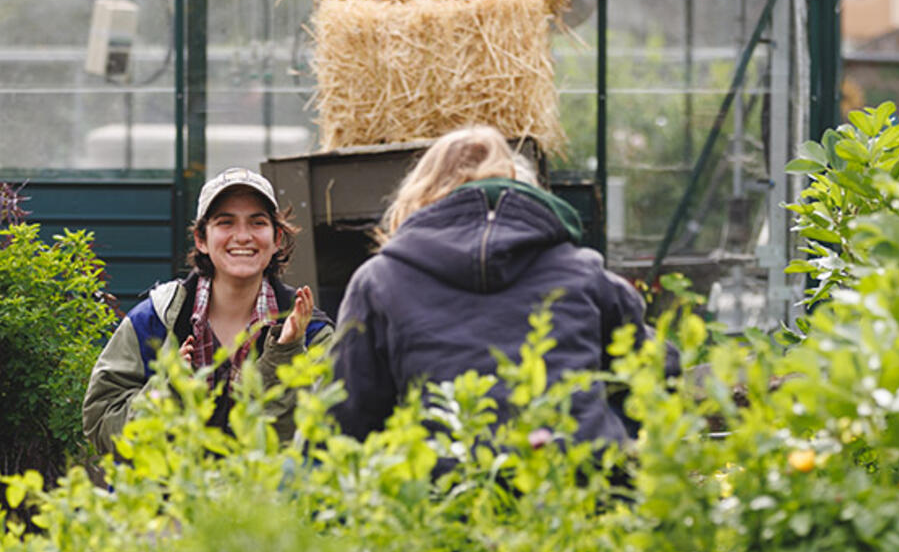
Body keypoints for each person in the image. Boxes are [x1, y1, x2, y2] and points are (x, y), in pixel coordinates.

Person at [330, 125, 678, 449]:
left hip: (443, 485)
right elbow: (661, 371)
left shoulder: (380, 281)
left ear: (417, 196)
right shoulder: (582, 271)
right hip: (573, 480)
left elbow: (340, 421)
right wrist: (611, 432)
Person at [83, 167, 333, 453]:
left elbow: (322, 441)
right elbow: (100, 423)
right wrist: (167, 393)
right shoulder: (154, 321)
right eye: (226, 223)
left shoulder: (310, 333)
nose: (243, 236)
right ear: (201, 239)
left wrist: (284, 357)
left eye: (257, 222)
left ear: (277, 239)